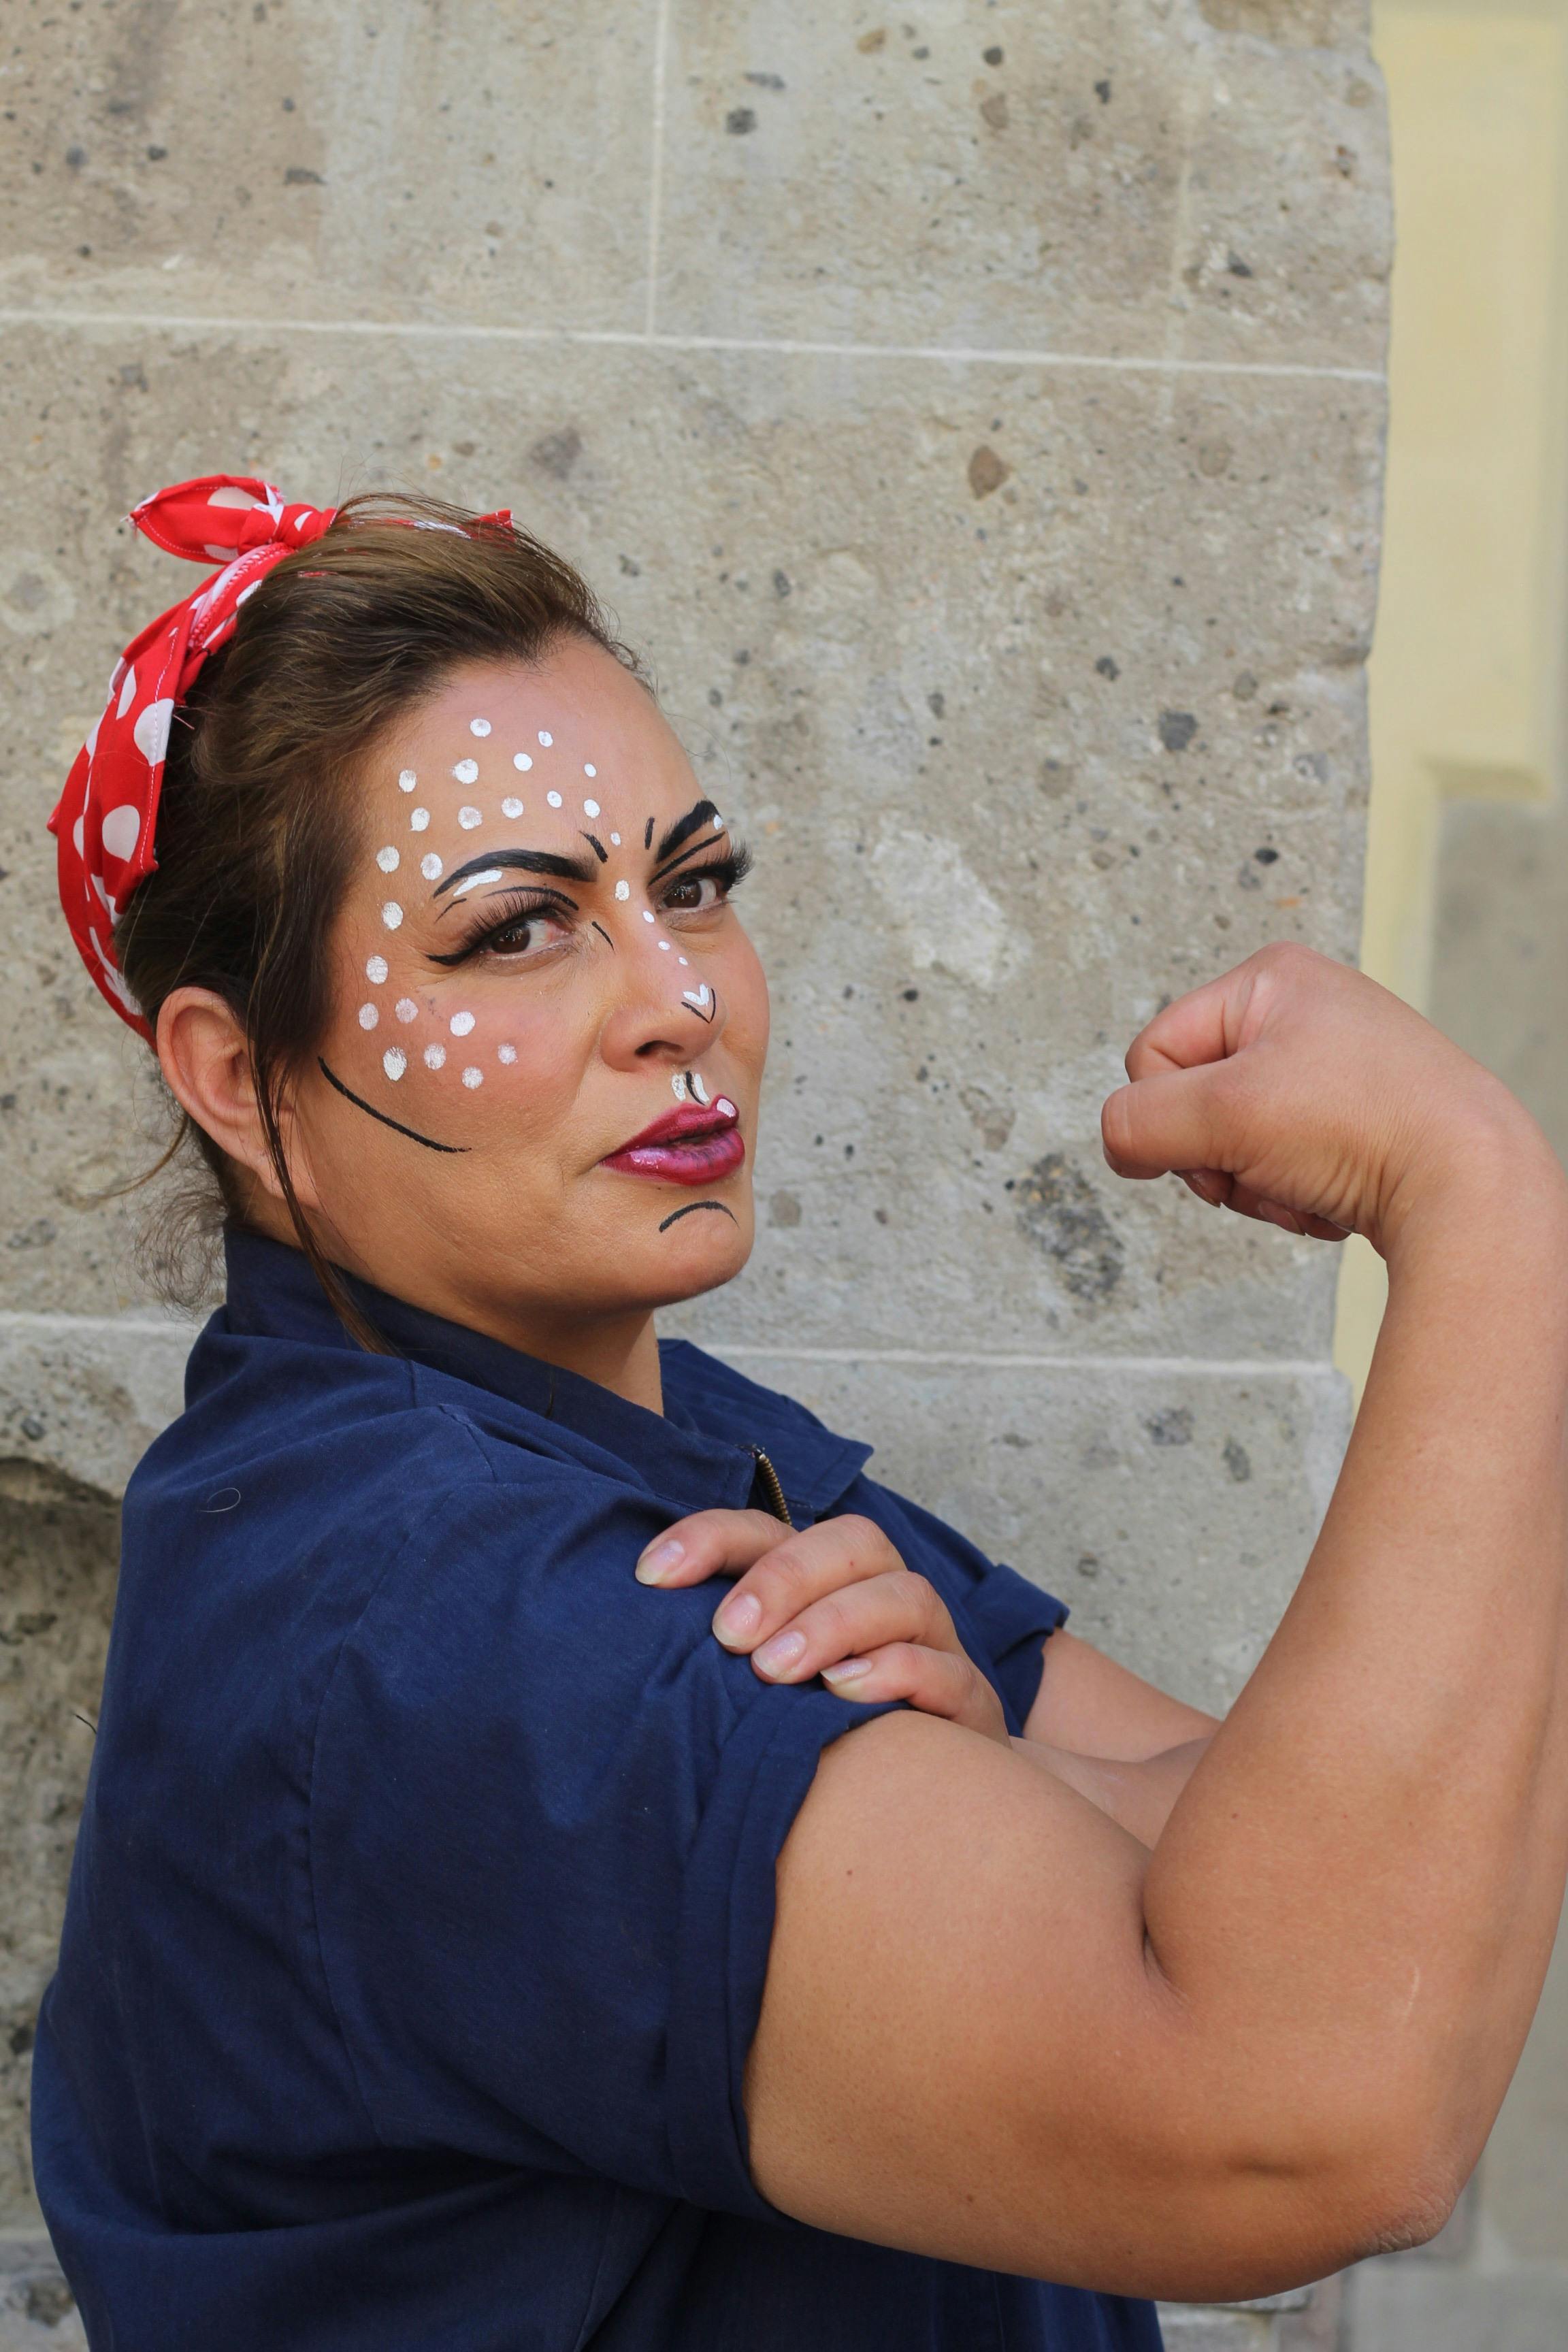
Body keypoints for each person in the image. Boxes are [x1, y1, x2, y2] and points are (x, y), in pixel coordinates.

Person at [31, 478, 1568, 2352]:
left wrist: (1000, 1747)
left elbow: (1290, 1858)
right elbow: (1317, 2105)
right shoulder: (443, 1620)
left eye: (691, 886)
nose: (679, 999)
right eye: (518, 929)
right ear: (240, 1074)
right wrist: (1490, 1216)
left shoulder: (665, 1446)